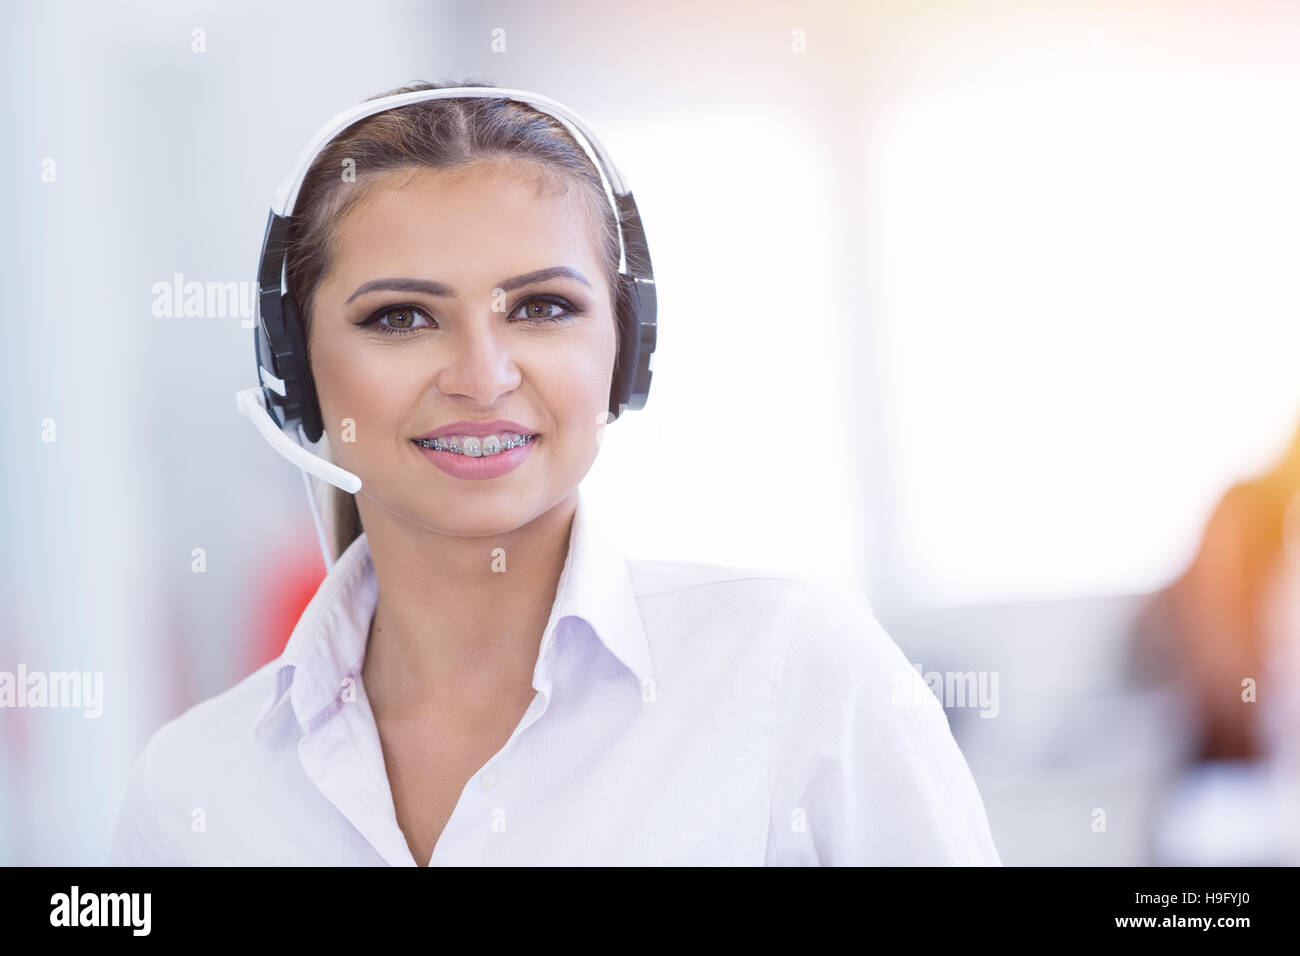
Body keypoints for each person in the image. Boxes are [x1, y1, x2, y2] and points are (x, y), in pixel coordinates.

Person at [108, 79, 1002, 866]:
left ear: (624, 353)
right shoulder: (191, 793)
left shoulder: (792, 670)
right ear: (295, 373)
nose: (482, 375)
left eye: (543, 307)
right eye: (401, 318)